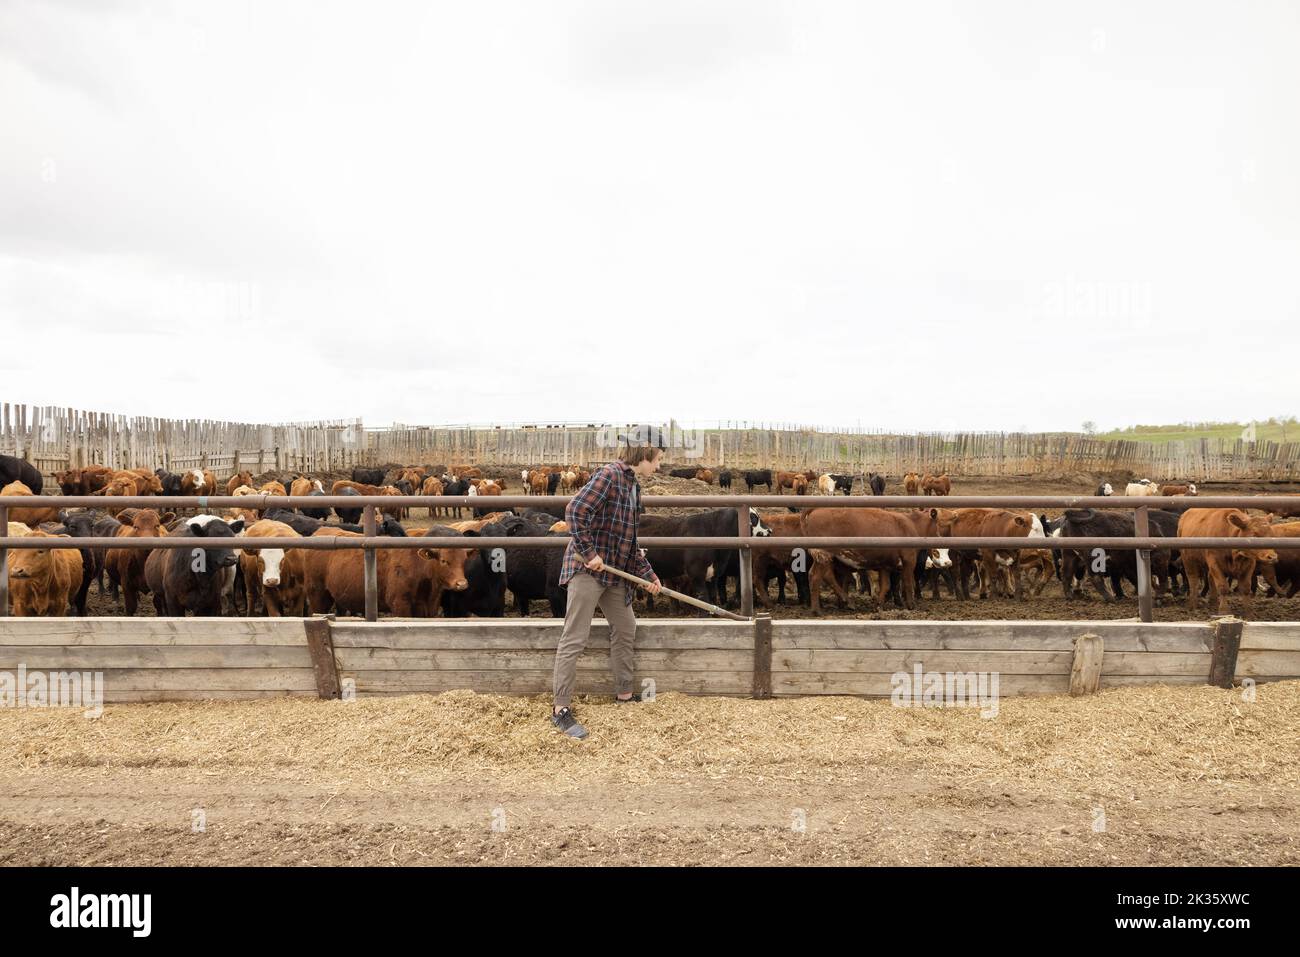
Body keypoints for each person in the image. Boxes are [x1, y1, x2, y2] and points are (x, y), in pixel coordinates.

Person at [551, 442, 663, 738]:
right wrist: (589, 553)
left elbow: (631, 542)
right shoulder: (609, 475)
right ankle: (560, 708)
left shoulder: (634, 488)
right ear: (644, 457)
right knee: (575, 636)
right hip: (587, 570)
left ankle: (624, 694)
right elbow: (574, 511)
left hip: (615, 573)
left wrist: (648, 575)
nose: (659, 467)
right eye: (658, 460)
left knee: (626, 626)